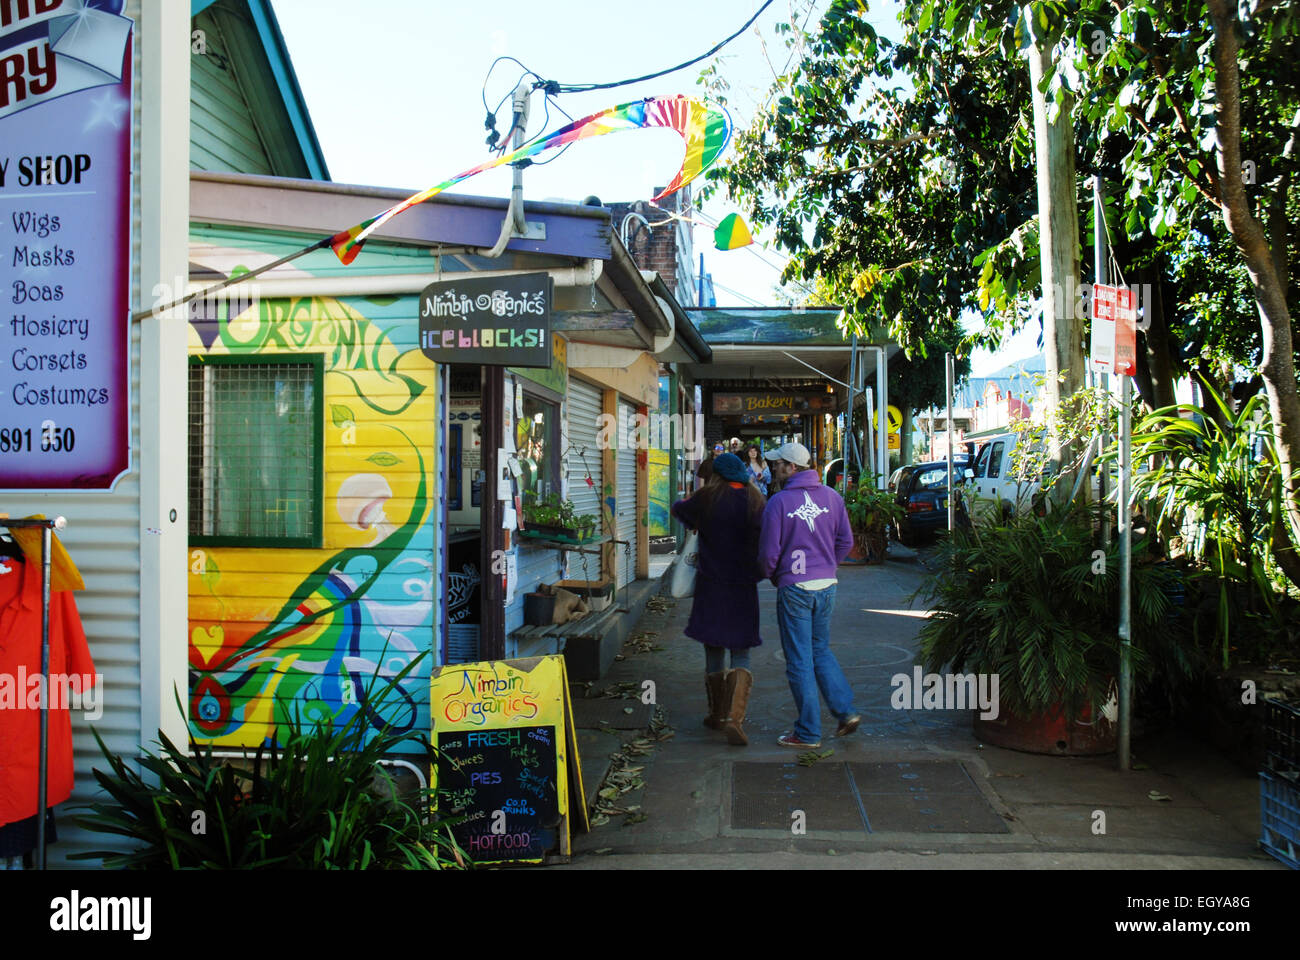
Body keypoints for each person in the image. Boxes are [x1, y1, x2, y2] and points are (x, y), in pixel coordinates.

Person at [758, 442, 861, 748]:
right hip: (826, 585)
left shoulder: (778, 502)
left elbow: (767, 553)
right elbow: (846, 541)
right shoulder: (832, 497)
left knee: (799, 659)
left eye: (779, 464)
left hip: (795, 588)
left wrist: (775, 575)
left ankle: (808, 732)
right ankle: (845, 712)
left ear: (792, 468)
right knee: (820, 651)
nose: (774, 468)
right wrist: (828, 564)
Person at [671, 453, 765, 746]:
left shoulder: (709, 497)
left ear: (718, 476)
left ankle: (717, 714)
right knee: (741, 650)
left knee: (714, 647)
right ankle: (735, 719)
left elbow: (678, 510)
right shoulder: (756, 500)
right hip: (744, 586)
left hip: (712, 584)